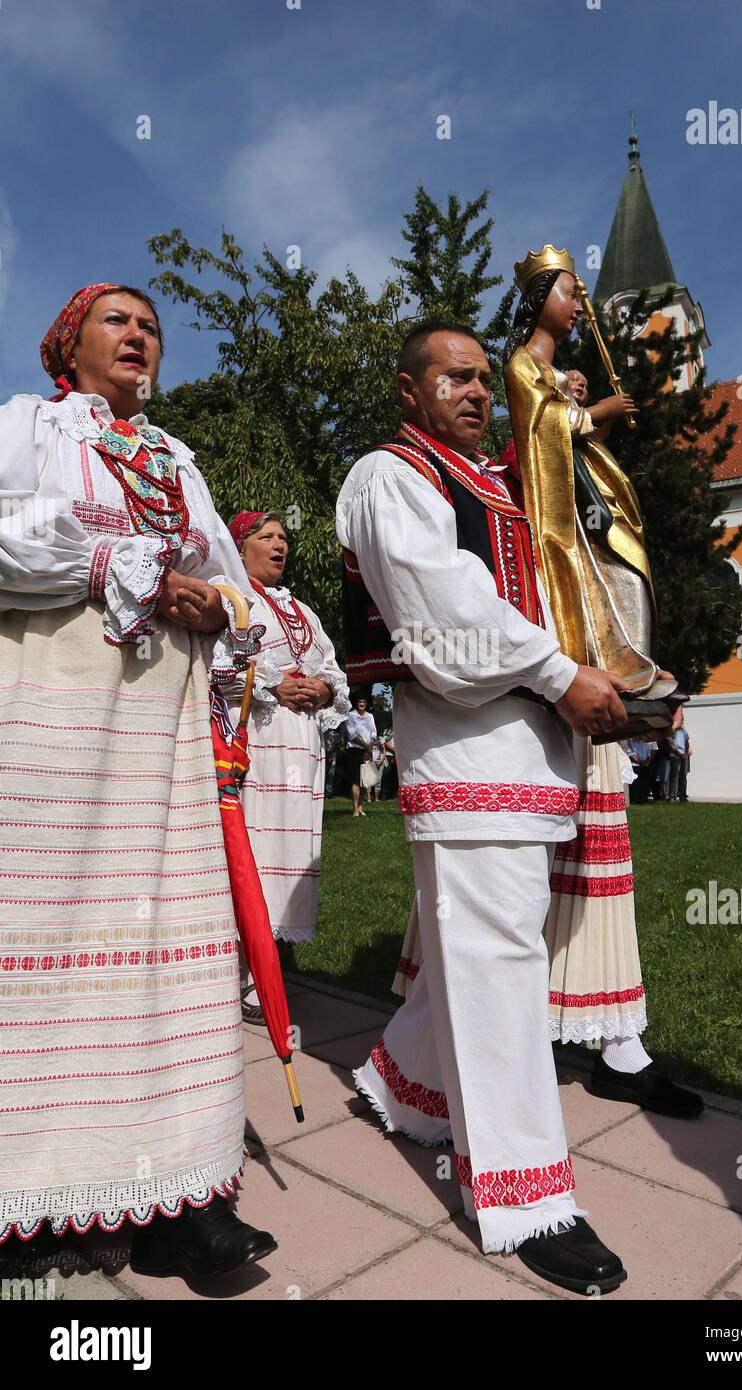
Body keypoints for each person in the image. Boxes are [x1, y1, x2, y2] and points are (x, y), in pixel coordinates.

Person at [339, 319, 638, 1295]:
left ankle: (401, 1089)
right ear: (407, 390)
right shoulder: (391, 477)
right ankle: (525, 1196)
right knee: (499, 965)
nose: (474, 391)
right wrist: (562, 675)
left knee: (485, 947)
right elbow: (441, 614)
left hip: (525, 748)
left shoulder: (496, 484)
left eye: (481, 379)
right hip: (466, 748)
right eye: (452, 377)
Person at [0, 283, 276, 1276]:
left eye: (152, 325)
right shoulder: (31, 427)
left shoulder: (175, 457)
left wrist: (220, 599)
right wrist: (147, 576)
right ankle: (28, 1197)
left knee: (173, 951)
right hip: (59, 712)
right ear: (66, 344)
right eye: (117, 319)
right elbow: (7, 542)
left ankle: (177, 1191)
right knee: (53, 943)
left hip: (164, 728)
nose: (139, 334)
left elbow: (228, 578)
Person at [502, 245, 702, 1116]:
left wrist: (584, 411)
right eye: (570, 290)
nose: (579, 302)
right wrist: (591, 412)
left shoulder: (551, 377)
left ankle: (612, 1033)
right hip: (550, 603)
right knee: (529, 863)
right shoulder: (516, 367)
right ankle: (533, 1029)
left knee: (591, 847)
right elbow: (538, 453)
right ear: (540, 295)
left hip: (574, 591)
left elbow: (569, 470)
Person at [224, 511, 349, 1021]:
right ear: (241, 545)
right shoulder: (232, 598)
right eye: (267, 537)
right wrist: (273, 683)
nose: (280, 545)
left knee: (291, 851)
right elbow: (219, 664)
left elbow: (333, 669)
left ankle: (265, 967)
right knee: (252, 846)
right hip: (256, 739)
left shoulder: (301, 609)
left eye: (283, 538)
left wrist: (321, 688)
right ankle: (237, 973)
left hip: (302, 746)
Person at [343, 695, 377, 817]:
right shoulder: (350, 716)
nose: (362, 704)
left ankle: (361, 807)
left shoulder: (370, 716)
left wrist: (369, 748)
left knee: (365, 780)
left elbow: (374, 733)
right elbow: (352, 734)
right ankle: (355, 808)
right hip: (355, 749)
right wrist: (366, 746)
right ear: (356, 703)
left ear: (366, 703)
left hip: (367, 750)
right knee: (356, 780)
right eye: (359, 702)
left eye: (364, 701)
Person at [667, 711, 692, 802]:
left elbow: (686, 742)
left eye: (682, 720)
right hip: (675, 755)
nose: (682, 722)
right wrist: (678, 753)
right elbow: (669, 743)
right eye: (680, 720)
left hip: (683, 756)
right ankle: (672, 796)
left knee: (683, 776)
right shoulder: (672, 729)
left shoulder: (684, 729)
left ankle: (682, 795)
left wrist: (685, 753)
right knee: (674, 776)